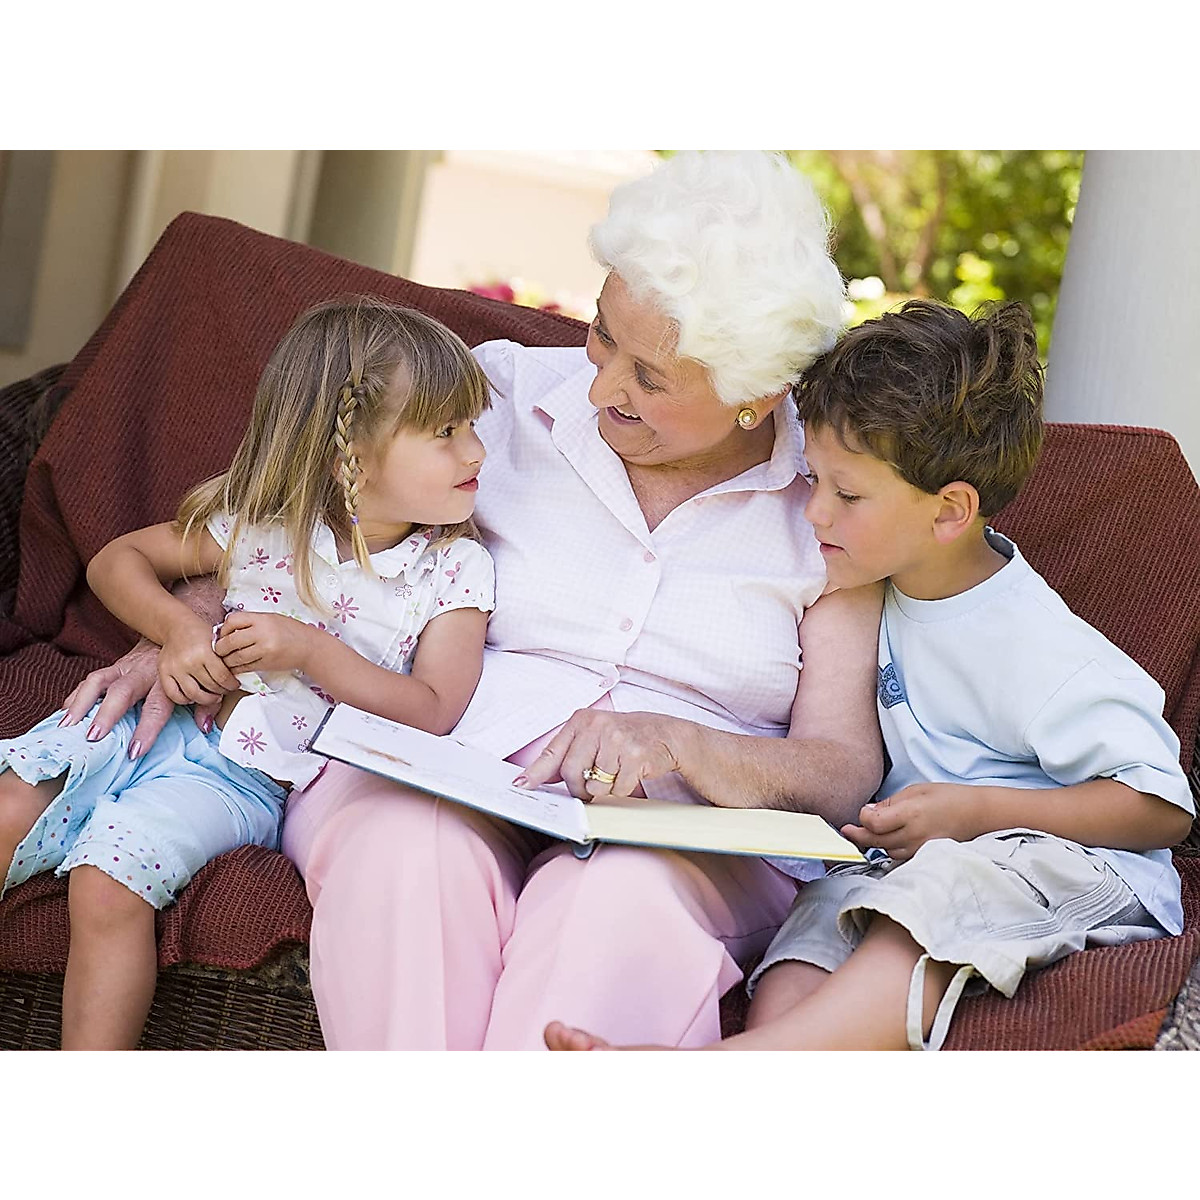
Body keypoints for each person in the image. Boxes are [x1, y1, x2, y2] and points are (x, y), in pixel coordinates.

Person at [62, 150, 885, 1050]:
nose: (601, 384)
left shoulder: (832, 496)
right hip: (436, 757)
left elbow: (843, 768)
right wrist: (188, 626)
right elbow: (319, 520)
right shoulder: (497, 394)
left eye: (650, 379)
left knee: (616, 905)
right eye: (604, 333)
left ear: (755, 395)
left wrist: (687, 743)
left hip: (682, 831)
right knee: (403, 852)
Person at [544, 299, 1194, 1052]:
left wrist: (972, 814)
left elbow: (1158, 808)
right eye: (814, 478)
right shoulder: (873, 586)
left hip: (1070, 866)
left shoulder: (1029, 637)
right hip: (911, 860)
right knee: (811, 931)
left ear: (950, 511)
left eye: (846, 494)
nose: (813, 512)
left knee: (930, 897)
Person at [0, 296, 495, 1049]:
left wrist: (315, 652)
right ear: (348, 459)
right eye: (446, 433)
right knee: (4, 813)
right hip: (137, 722)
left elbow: (435, 708)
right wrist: (177, 629)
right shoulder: (264, 526)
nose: (476, 454)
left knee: (108, 883)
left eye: (472, 427)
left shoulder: (451, 571)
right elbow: (117, 561)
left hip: (239, 777)